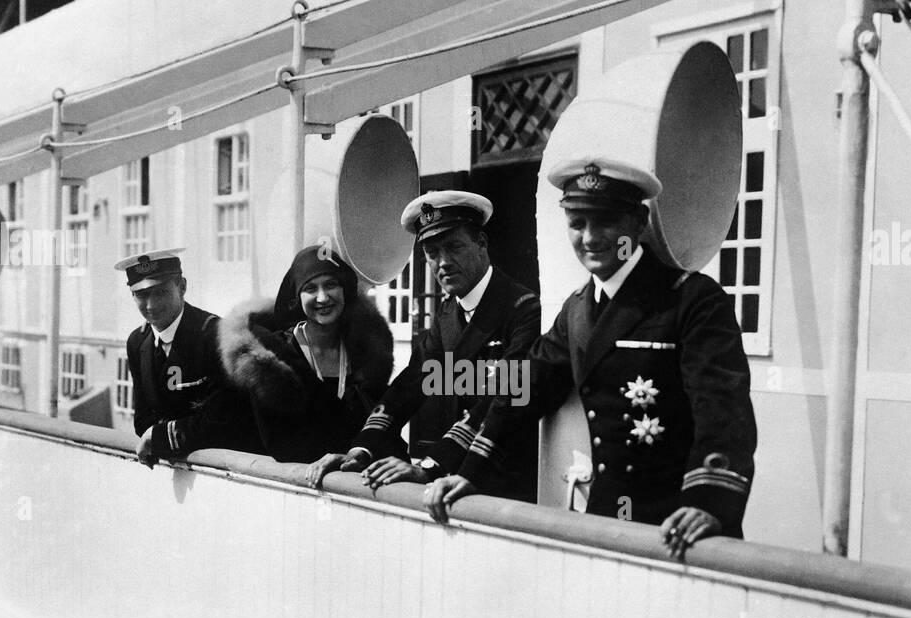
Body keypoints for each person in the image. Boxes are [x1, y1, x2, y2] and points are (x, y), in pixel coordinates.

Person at [425, 157, 758, 561]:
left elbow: (724, 412)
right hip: (606, 522)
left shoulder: (692, 300)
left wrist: (709, 503)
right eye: (577, 223)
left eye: (606, 222)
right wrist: (467, 472)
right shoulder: (578, 310)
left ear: (638, 223)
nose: (590, 237)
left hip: (681, 527)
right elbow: (521, 390)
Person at [307, 191, 542, 499]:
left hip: (498, 484)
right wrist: (361, 449)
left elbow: (502, 399)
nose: (443, 262)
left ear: (481, 244)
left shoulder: (523, 310)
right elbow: (409, 386)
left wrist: (430, 467)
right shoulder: (448, 315)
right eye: (432, 252)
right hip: (449, 484)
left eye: (454, 247)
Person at [218, 245, 396, 464]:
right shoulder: (274, 358)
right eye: (311, 288)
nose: (322, 298)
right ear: (297, 298)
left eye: (331, 285)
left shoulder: (363, 355)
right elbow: (282, 445)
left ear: (344, 291)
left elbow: (383, 431)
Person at [118, 248, 245, 468]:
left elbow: (224, 422)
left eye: (161, 292)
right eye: (142, 295)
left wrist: (160, 437)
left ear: (182, 287)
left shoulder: (215, 335)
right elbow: (142, 419)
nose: (151, 305)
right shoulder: (137, 342)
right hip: (173, 468)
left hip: (221, 469)